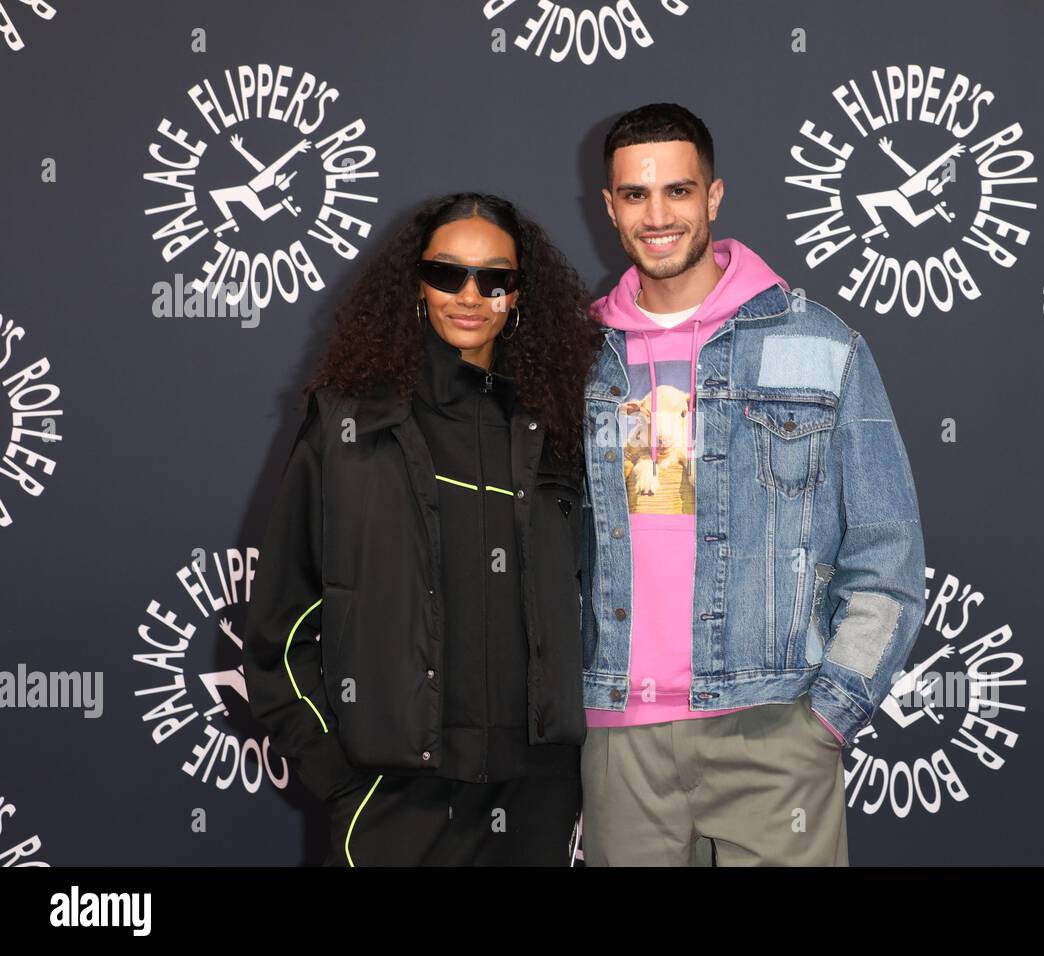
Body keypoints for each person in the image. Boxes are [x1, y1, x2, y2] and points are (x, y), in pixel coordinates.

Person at [577, 104, 927, 866]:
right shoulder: (577, 357)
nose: (658, 214)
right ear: (609, 207)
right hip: (620, 743)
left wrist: (829, 715)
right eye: (635, 195)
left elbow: (887, 552)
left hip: (773, 732)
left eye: (678, 190)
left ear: (714, 197)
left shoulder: (818, 343)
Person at [243, 192, 602, 866]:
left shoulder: (559, 431)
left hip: (536, 795)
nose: (471, 295)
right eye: (447, 273)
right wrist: (340, 771)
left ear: (519, 296)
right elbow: (280, 625)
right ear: (416, 282)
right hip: (395, 799)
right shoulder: (350, 426)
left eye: (496, 278)